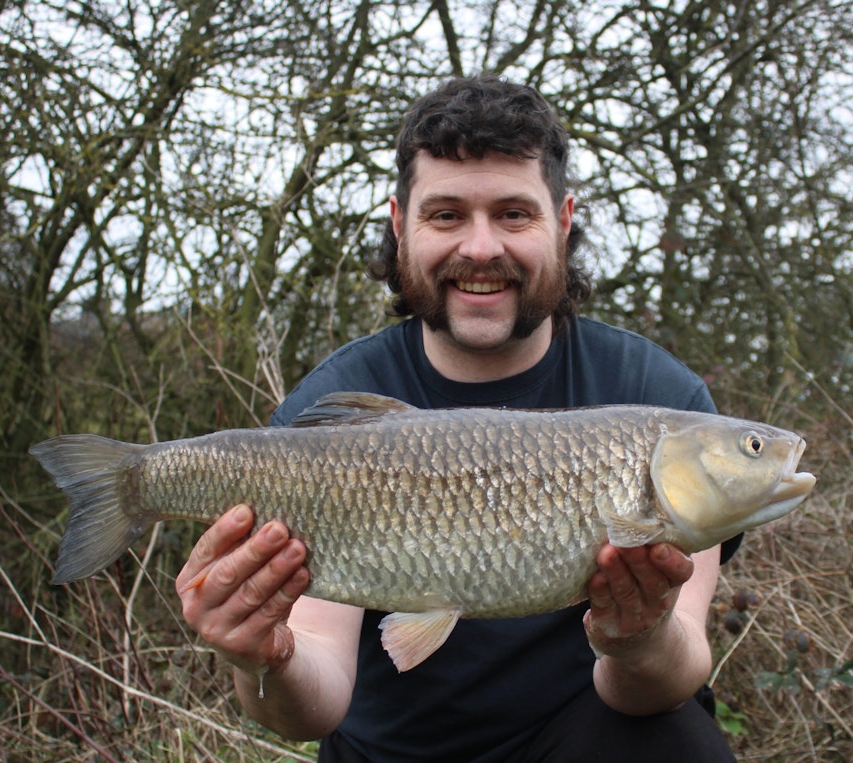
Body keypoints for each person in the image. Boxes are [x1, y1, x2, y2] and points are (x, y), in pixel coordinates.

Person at [176, 75, 740, 762]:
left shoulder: (659, 405)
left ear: (562, 221)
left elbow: (672, 678)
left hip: (587, 736)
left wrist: (640, 639)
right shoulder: (330, 408)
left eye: (513, 214)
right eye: (446, 215)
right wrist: (263, 654)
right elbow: (312, 700)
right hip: (390, 751)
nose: (480, 248)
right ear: (399, 224)